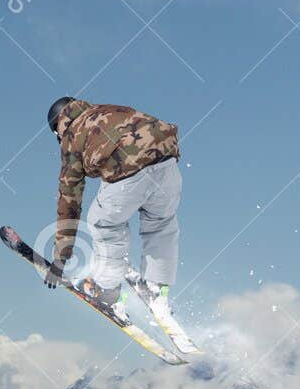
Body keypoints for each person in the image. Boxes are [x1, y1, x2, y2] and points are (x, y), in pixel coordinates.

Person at [43, 96, 193, 354]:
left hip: (131, 171)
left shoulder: (72, 134)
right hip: (167, 162)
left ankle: (108, 292)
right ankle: (157, 288)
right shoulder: (108, 110)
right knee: (161, 224)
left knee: (104, 225)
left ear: (59, 124)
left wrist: (61, 257)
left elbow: (69, 197)